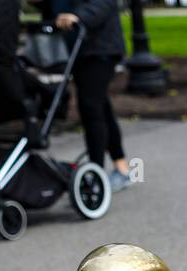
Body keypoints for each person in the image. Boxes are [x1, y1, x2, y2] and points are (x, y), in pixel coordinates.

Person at [36, 1, 133, 191]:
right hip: (78, 49)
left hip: (100, 48)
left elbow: (103, 4)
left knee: (90, 106)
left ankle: (96, 175)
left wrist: (79, 17)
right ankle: (122, 169)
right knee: (100, 106)